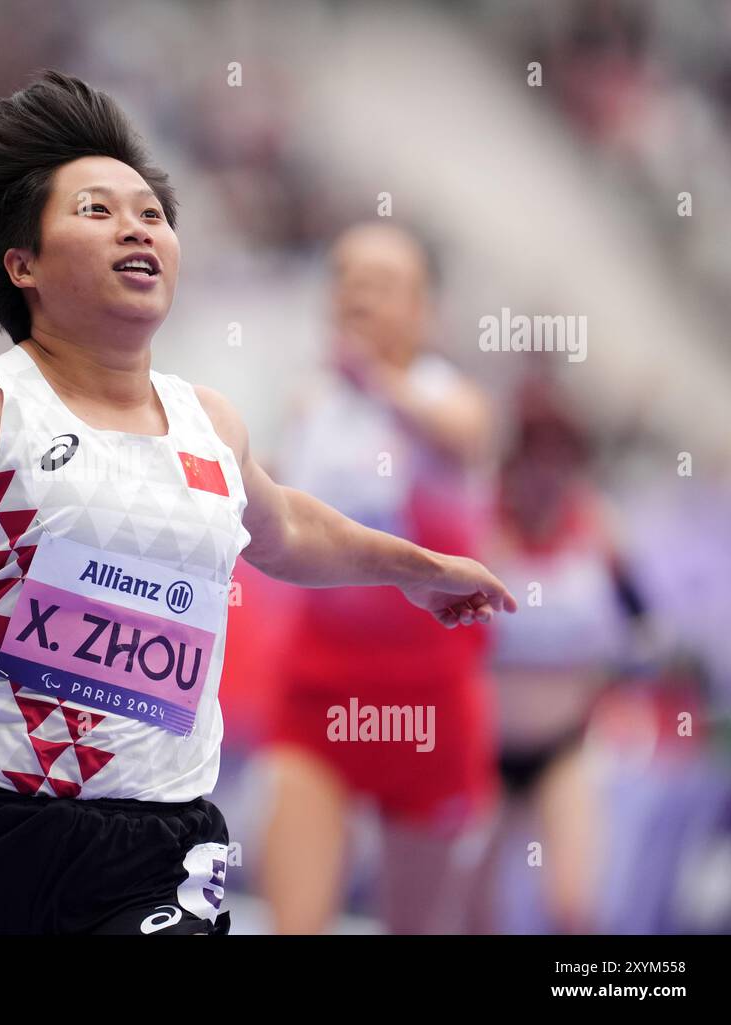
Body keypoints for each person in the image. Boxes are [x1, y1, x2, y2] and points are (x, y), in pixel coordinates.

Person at [0, 70, 516, 936]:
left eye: (151, 213)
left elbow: (288, 527)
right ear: (23, 264)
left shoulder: (210, 424)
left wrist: (414, 569)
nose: (137, 228)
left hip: (152, 848)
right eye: (98, 212)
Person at [257, 222, 499, 934]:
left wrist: (379, 381)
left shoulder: (447, 398)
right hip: (320, 691)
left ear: (424, 312)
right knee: (295, 923)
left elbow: (467, 438)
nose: (360, 295)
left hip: (427, 703)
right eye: (348, 280)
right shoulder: (312, 406)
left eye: (383, 284)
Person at [473, 377, 647, 933]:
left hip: (562, 746)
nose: (549, 481)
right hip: (484, 750)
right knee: (475, 910)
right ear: (513, 466)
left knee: (574, 907)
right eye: (536, 464)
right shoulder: (480, 532)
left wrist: (608, 683)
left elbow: (646, 628)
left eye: (562, 466)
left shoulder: (601, 531)